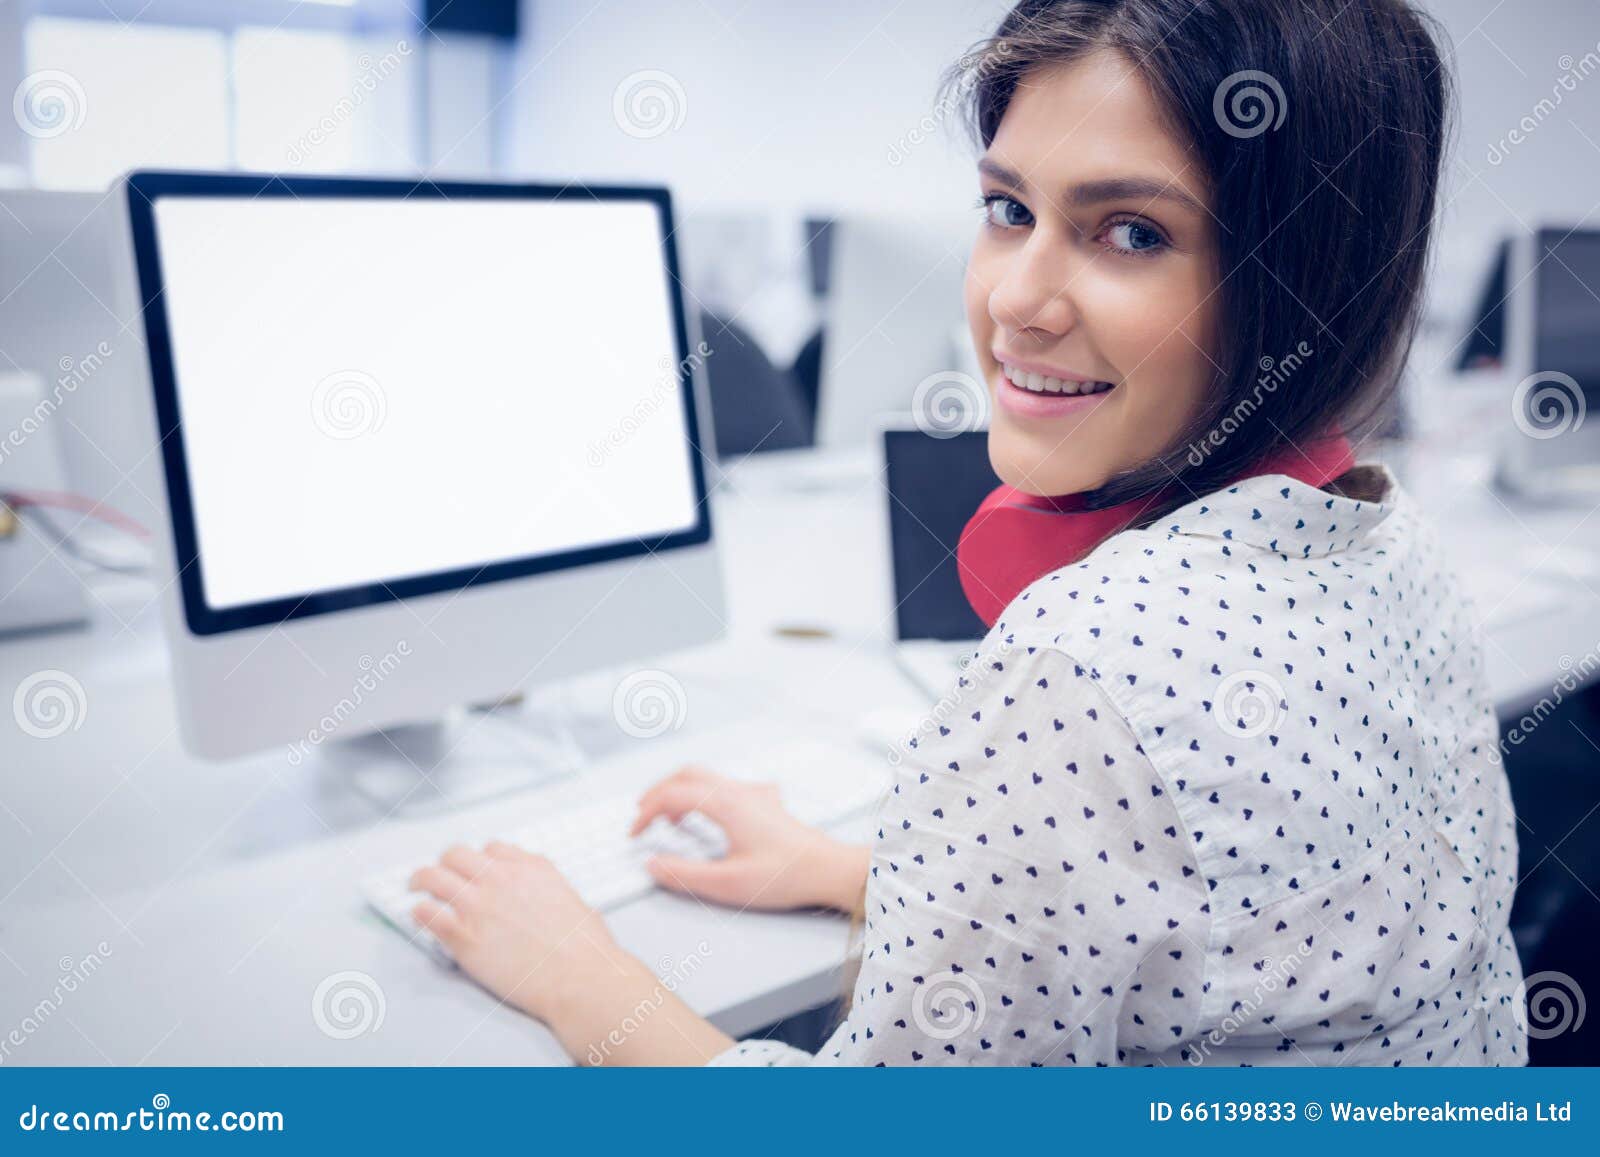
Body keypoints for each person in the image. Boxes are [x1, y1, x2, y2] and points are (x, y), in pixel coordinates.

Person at [407, 0, 1526, 1066]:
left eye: (1130, 232)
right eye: (1007, 209)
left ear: (1304, 280)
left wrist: (576, 970)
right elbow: (1259, 929)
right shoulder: (1382, 534)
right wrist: (864, 869)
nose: (1015, 299)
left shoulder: (1089, 664)